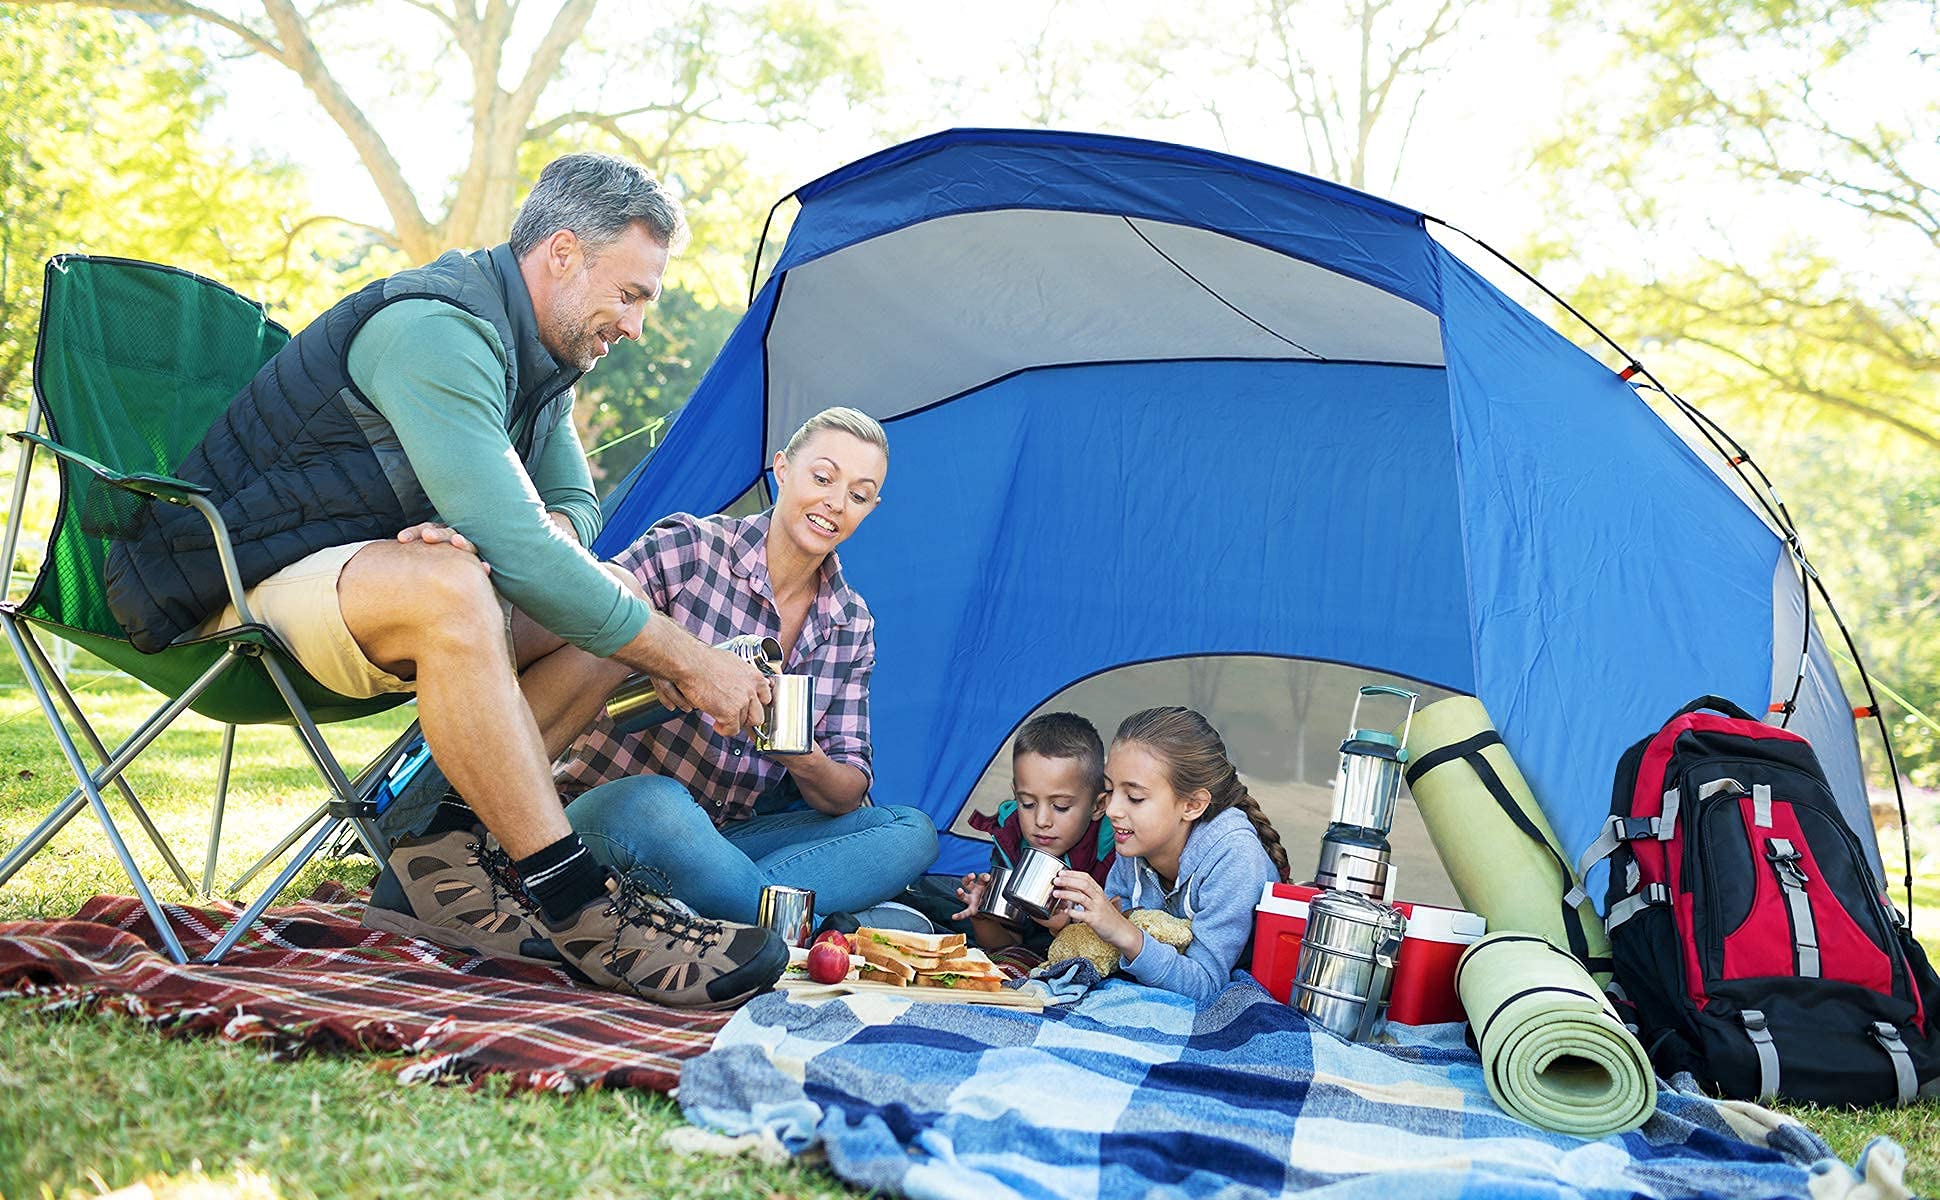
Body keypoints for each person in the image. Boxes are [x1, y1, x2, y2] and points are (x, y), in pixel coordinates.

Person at [102, 153, 787, 1009]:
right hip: (230, 586)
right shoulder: (438, 329)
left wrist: (500, 535)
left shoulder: (540, 363)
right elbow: (529, 550)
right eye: (633, 293)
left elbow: (568, 514)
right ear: (564, 254)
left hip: (352, 577)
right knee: (460, 588)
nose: (639, 324)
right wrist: (688, 660)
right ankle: (577, 904)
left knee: (607, 598)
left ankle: (445, 853)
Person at [530, 407, 938, 926]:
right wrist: (668, 656)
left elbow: (848, 792)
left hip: (726, 840)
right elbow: (593, 598)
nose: (835, 503)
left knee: (910, 830)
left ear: (870, 508)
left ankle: (719, 909)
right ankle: (790, 924)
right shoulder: (694, 548)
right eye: (822, 478)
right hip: (610, 810)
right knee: (659, 801)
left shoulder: (850, 623)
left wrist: (797, 751)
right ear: (782, 469)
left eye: (857, 495)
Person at [1052, 706, 1289, 1003]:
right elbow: (1110, 935)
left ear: (1191, 805)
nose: (1112, 810)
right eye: (1110, 790)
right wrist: (1073, 920)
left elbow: (1205, 983)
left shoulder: (1235, 857)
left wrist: (1123, 932)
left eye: (1135, 797)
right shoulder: (1134, 839)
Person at [951, 712, 1114, 953]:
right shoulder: (1012, 839)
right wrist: (982, 915)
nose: (1041, 821)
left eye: (1060, 807)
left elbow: (1115, 948)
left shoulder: (1113, 852)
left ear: (1098, 806)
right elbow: (1007, 946)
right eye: (1027, 803)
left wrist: (1063, 927)